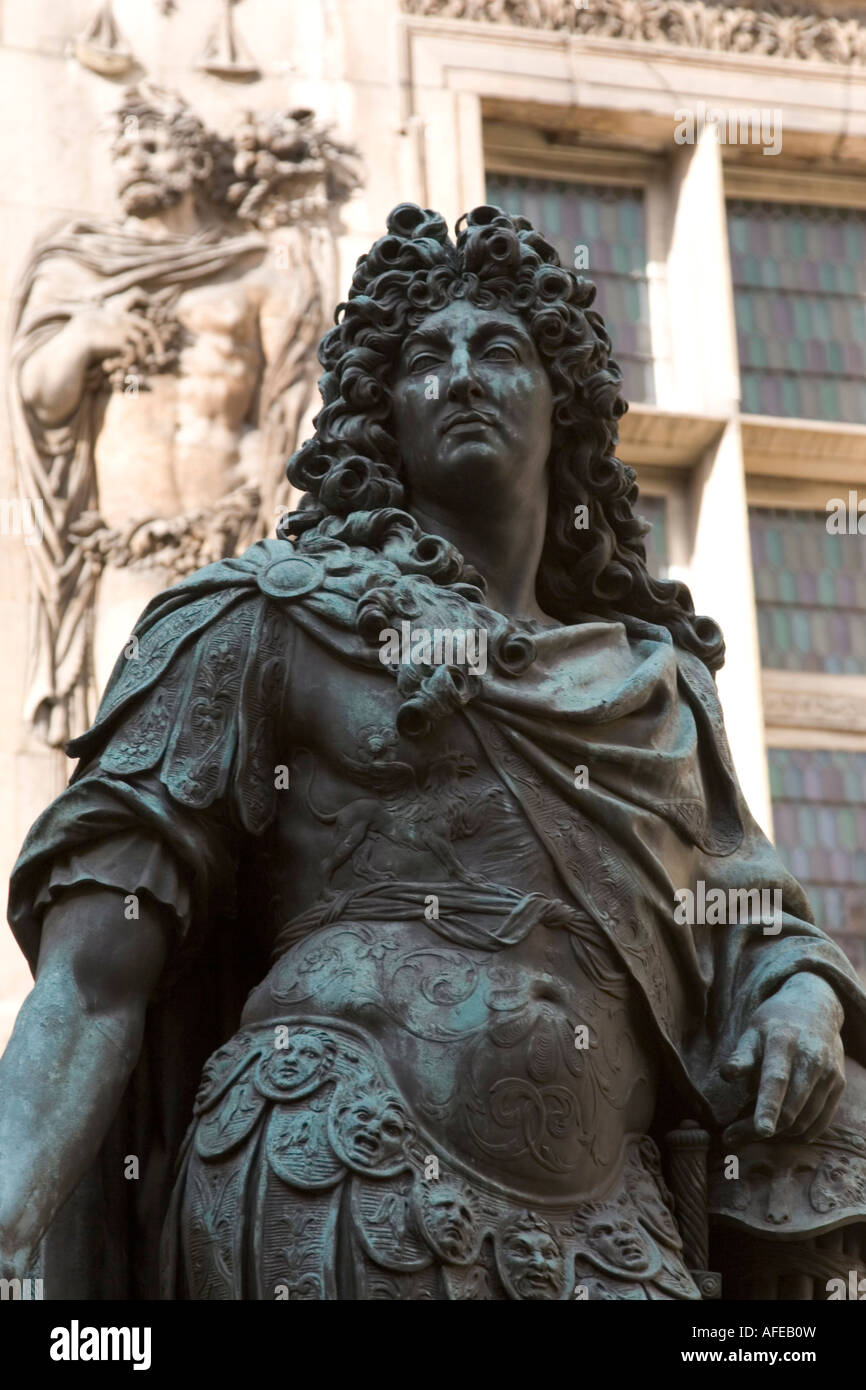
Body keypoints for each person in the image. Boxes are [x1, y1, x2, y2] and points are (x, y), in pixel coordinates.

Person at [2, 203, 865, 1300]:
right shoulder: (265, 619)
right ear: (382, 409)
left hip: (614, 1228)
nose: (458, 374)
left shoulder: (657, 689)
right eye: (423, 357)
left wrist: (798, 991)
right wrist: (7, 1220)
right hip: (334, 1169)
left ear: (567, 408)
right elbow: (93, 966)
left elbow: (744, 914)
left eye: (498, 349)